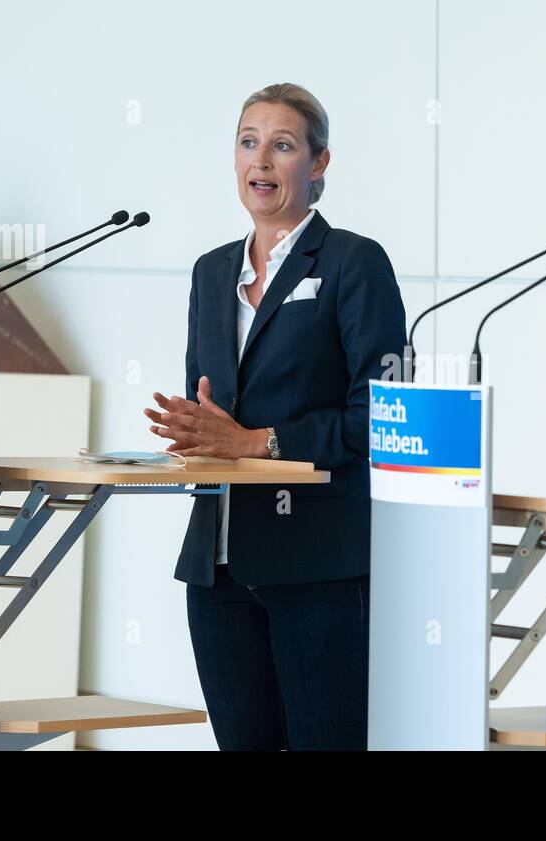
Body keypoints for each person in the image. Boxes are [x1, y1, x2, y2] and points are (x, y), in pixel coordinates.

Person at [145, 82, 405, 750]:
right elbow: (209, 413)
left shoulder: (354, 262)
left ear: (318, 165)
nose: (261, 160)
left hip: (317, 564)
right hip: (218, 568)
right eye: (248, 142)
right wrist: (189, 435)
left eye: (283, 145)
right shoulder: (210, 274)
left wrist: (260, 441)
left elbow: (382, 414)